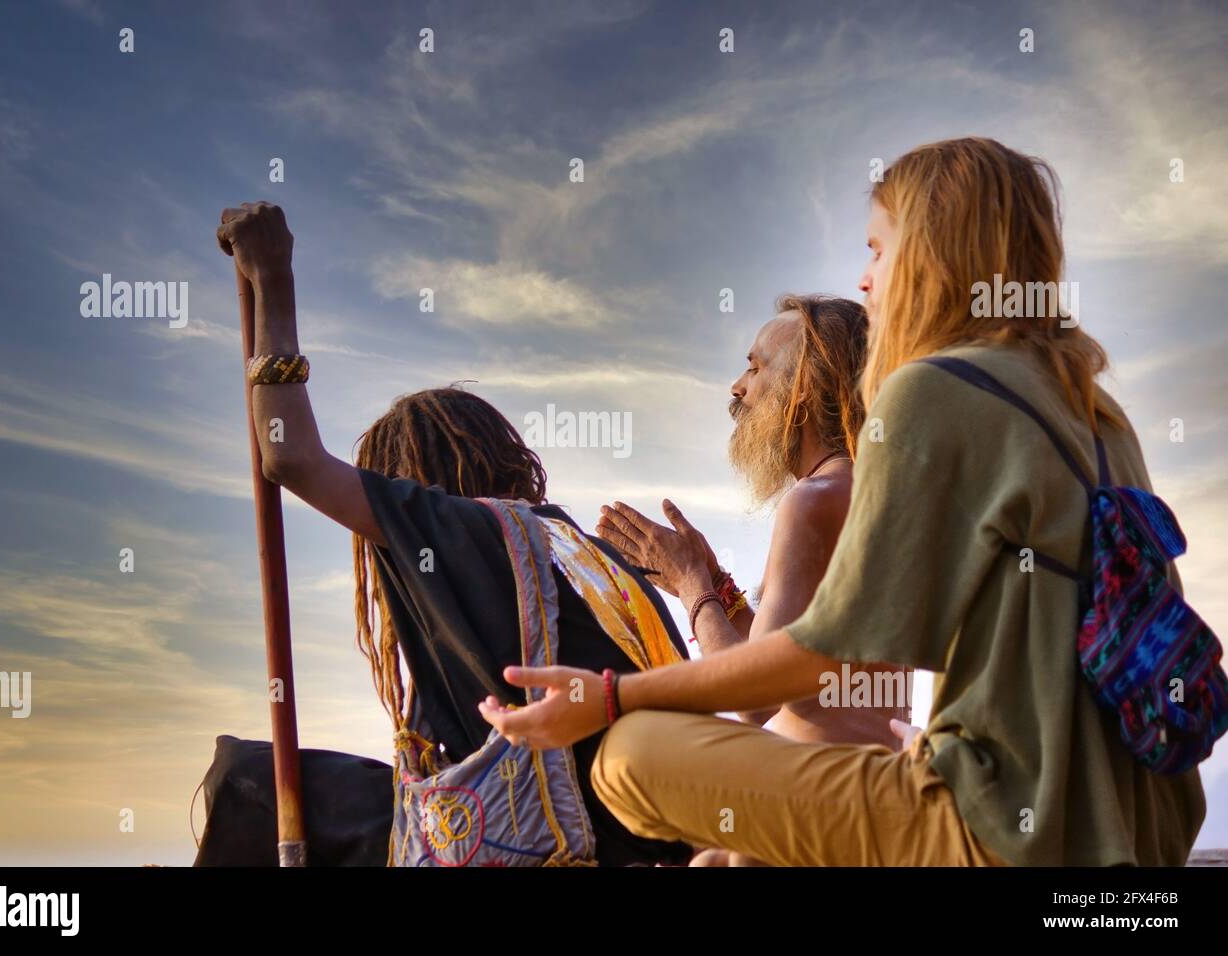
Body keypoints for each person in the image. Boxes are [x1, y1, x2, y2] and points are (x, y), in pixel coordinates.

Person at [478, 137, 1208, 866]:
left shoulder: (934, 392)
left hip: (1002, 830)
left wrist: (611, 696)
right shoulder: (1096, 414)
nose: (865, 280)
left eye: (878, 250)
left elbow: (816, 659)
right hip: (1140, 831)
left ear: (930, 252)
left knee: (628, 755)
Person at [215, 202, 692, 866]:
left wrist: (272, 276)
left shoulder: (472, 533)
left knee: (247, 778)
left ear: (417, 484)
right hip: (665, 841)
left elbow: (288, 455)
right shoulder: (591, 557)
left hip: (573, 848)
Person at [595, 294, 911, 747]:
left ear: (801, 383)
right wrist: (718, 584)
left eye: (756, 367)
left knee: (625, 755)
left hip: (821, 780)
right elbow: (775, 660)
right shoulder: (867, 491)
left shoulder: (813, 501)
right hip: (873, 769)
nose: (737, 386)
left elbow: (756, 700)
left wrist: (691, 584)